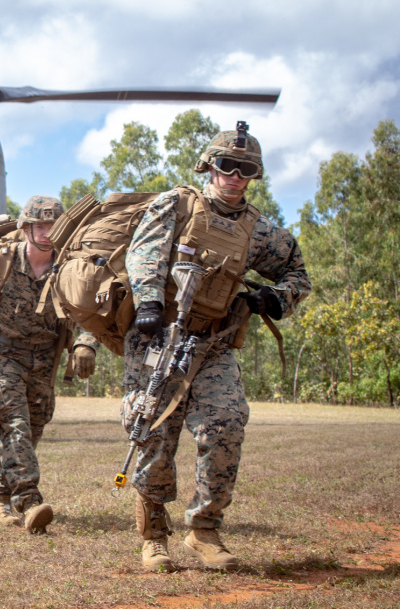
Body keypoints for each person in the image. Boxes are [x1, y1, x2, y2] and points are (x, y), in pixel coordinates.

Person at [122, 122, 310, 571]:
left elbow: (298, 275)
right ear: (209, 166)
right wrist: (148, 301)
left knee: (225, 424)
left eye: (247, 169)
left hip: (213, 344)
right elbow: (144, 252)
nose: (235, 176)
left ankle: (204, 529)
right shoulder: (176, 204)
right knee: (154, 432)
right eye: (227, 165)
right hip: (160, 335)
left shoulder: (259, 230)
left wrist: (274, 299)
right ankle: (154, 537)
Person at [0, 195, 99, 534]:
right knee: (14, 424)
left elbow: (88, 314)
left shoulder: (70, 268)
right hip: (6, 356)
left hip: (46, 357)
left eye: (53, 226)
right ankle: (29, 500)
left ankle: (2, 496)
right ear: (26, 228)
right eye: (40, 226)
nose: (47, 233)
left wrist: (85, 344)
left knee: (33, 427)